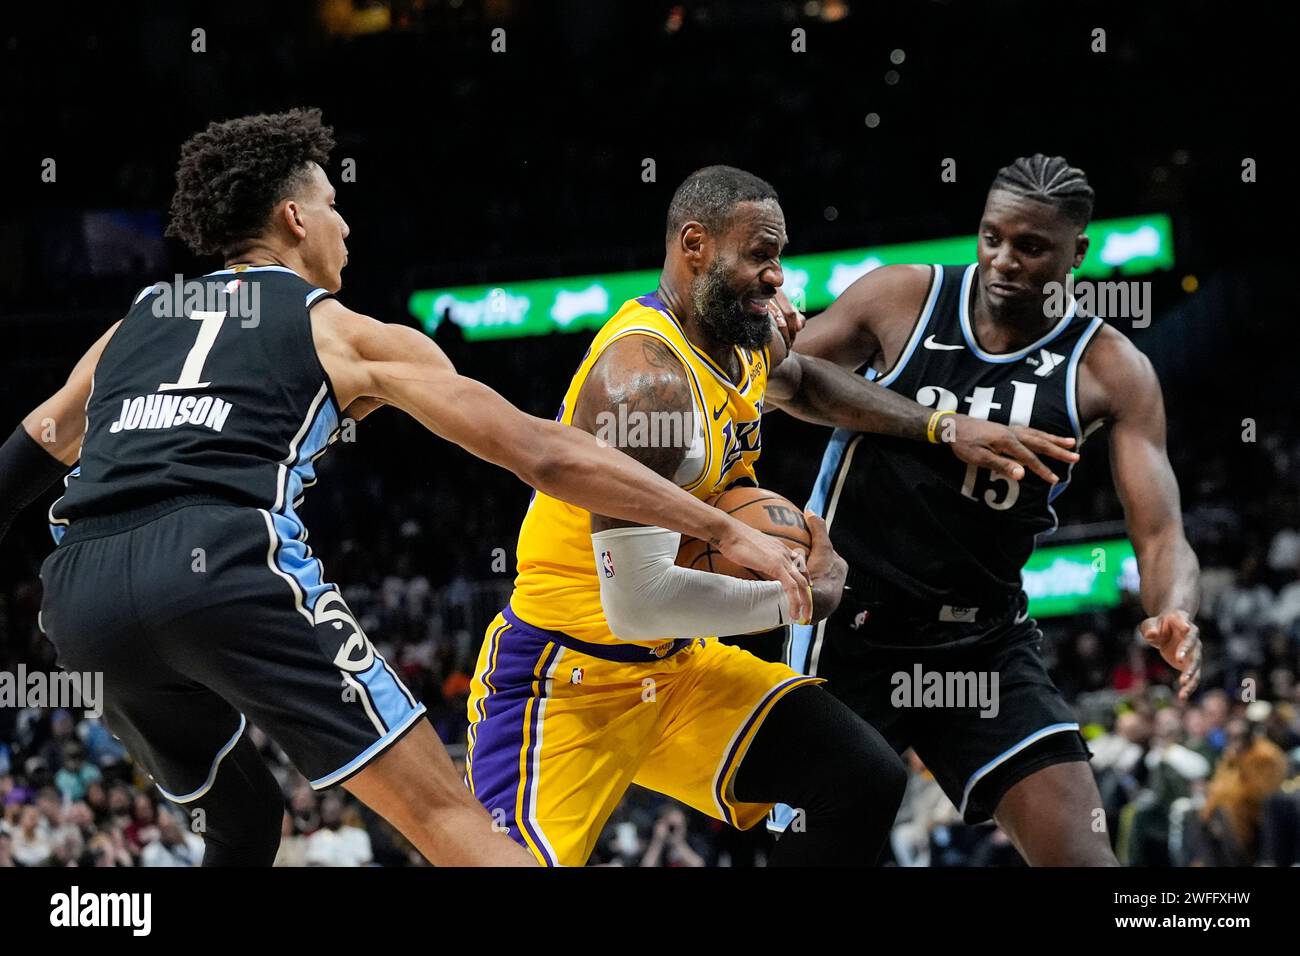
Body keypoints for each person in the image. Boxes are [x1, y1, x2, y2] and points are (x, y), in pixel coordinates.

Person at [0, 110, 812, 867]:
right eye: (333, 204)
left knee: (242, 823)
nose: (346, 225)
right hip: (222, 558)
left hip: (79, 594)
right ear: (293, 220)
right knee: (451, 822)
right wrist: (722, 526)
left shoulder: (137, 320)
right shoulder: (342, 330)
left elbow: (33, 447)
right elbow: (542, 453)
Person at [465, 165, 1077, 866]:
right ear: (694, 244)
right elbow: (636, 604)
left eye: (779, 257)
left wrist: (942, 426)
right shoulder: (646, 384)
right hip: (566, 677)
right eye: (759, 255)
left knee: (861, 778)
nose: (777, 277)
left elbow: (807, 381)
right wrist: (797, 599)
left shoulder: (739, 343)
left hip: (674, 669)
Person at [775, 154, 1203, 865]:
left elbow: (1161, 534)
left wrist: (1175, 608)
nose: (1005, 260)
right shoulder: (902, 298)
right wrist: (939, 426)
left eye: (1032, 247)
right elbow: (780, 381)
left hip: (980, 644)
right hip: (847, 629)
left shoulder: (1109, 367)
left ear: (1078, 254)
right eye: (991, 237)